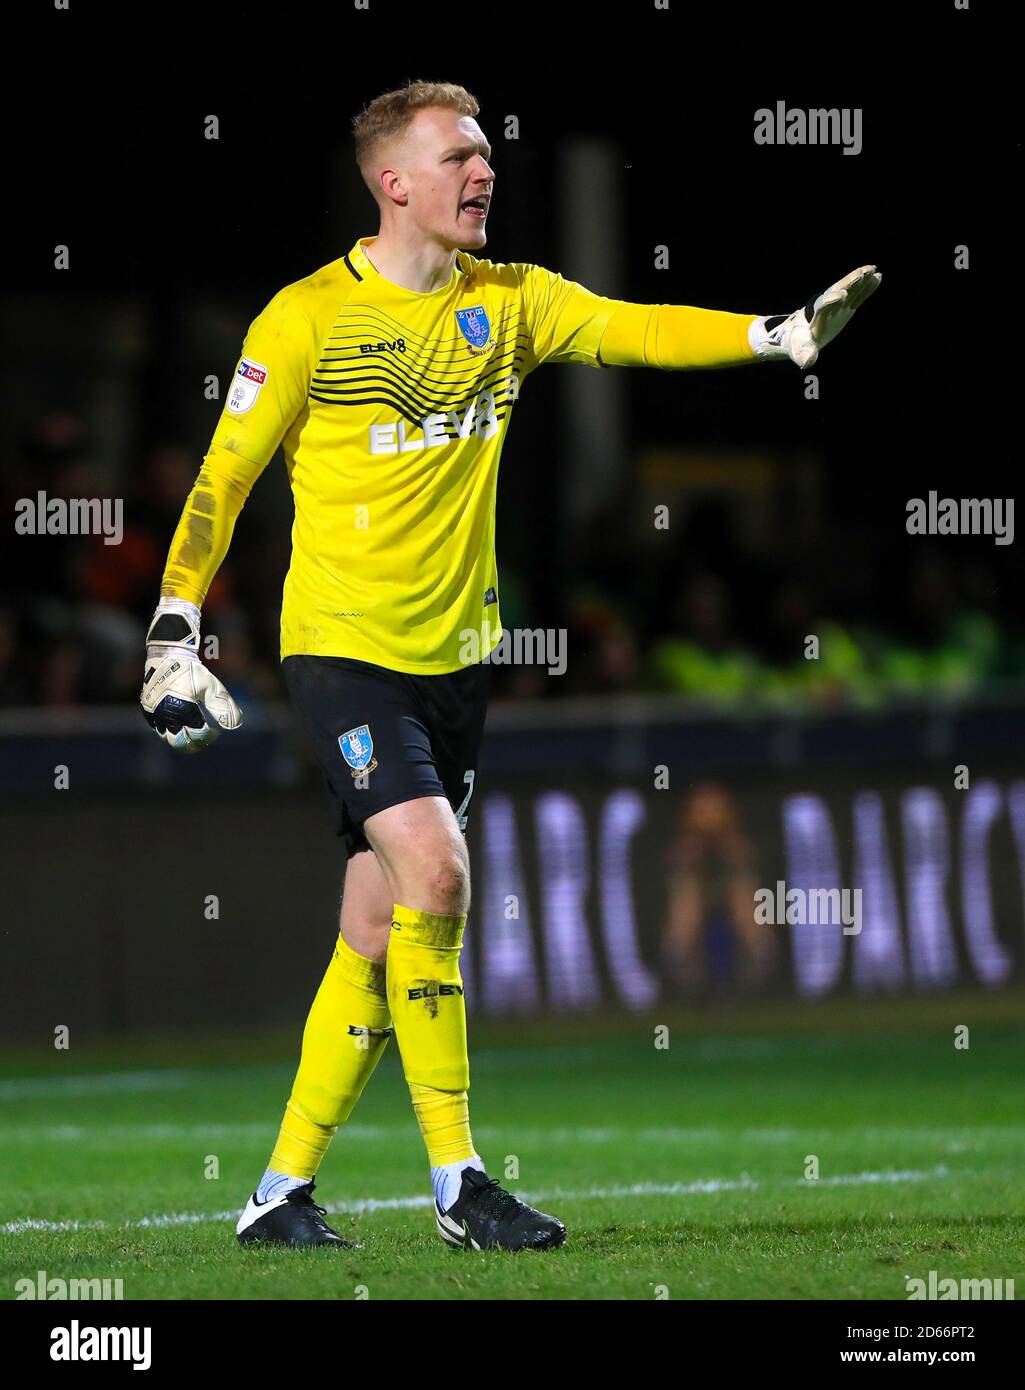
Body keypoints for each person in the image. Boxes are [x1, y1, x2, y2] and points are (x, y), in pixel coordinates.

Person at [139, 79, 880, 1252]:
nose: (483, 174)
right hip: (341, 655)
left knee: (377, 934)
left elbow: (632, 325)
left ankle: (276, 1193)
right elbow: (223, 478)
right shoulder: (302, 321)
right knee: (438, 876)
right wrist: (174, 625)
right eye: (456, 158)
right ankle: (459, 1184)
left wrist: (771, 336)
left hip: (456, 667)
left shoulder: (511, 304)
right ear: (392, 182)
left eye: (485, 155)